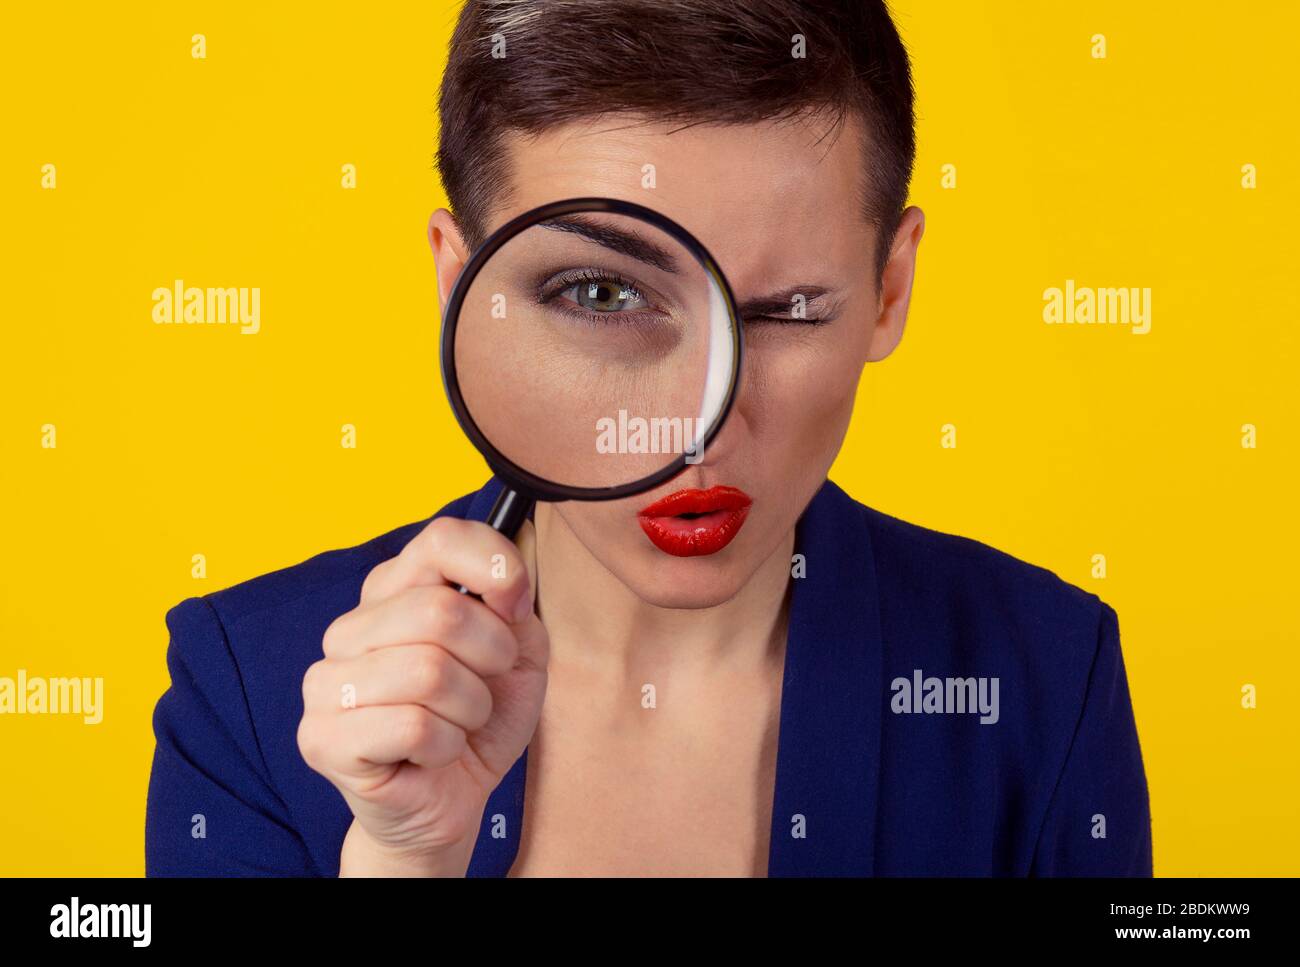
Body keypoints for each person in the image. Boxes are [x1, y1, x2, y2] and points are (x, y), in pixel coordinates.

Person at [145, 0, 1152, 876]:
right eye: (600, 294)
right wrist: (401, 864)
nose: (691, 428)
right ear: (464, 289)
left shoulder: (1044, 679)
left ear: (890, 289)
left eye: (787, 307)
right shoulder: (245, 693)